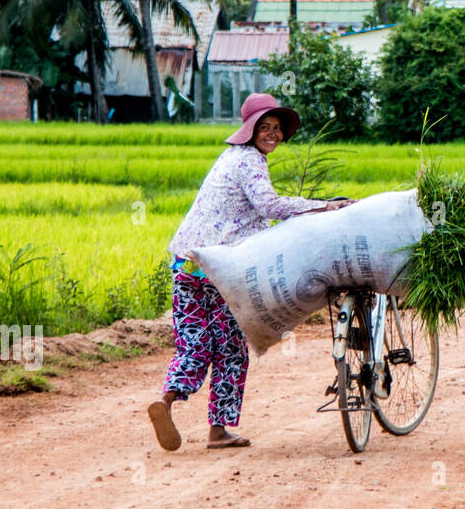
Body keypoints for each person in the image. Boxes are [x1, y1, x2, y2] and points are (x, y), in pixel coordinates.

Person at [148, 93, 354, 451]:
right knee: (230, 349)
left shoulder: (229, 158)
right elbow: (269, 205)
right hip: (224, 268)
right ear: (249, 130)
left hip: (187, 262)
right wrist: (325, 207)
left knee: (194, 341)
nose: (272, 134)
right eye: (264, 128)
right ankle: (217, 430)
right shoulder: (250, 161)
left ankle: (166, 401)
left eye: (276, 129)